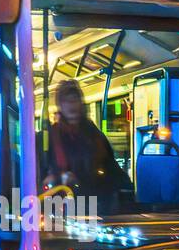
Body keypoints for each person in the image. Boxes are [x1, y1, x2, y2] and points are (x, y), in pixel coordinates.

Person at [42, 79, 130, 207]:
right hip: (59, 208)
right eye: (67, 100)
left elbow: (112, 170)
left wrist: (129, 192)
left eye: (75, 99)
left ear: (81, 103)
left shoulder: (95, 136)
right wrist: (58, 178)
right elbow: (39, 175)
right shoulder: (48, 138)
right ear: (60, 105)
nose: (71, 104)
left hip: (95, 206)